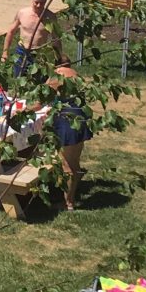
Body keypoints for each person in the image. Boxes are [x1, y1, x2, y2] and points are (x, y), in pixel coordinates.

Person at [47, 63, 93, 211]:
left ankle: (67, 202)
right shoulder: (75, 74)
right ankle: (72, 194)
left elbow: (40, 99)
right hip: (80, 119)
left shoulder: (57, 76)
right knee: (74, 162)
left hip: (67, 122)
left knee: (66, 165)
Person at [3, 0, 64, 74]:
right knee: (19, 78)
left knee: (39, 80)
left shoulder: (50, 17)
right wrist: (5, 53)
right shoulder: (22, 13)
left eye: (42, 3)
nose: (39, 5)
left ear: (46, 1)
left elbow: (56, 38)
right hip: (22, 51)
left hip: (39, 53)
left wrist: (59, 58)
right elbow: (11, 32)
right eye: (36, 2)